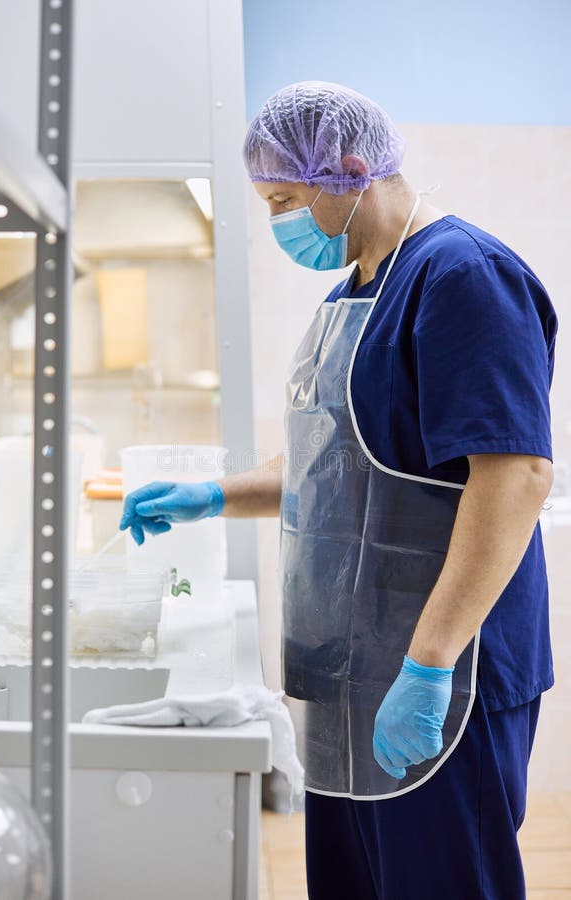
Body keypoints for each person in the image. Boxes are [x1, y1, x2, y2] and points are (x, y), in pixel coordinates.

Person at [120, 82, 558, 899]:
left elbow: (517, 476)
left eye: (285, 199)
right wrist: (213, 495)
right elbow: (334, 462)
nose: (281, 221)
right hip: (354, 674)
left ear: (351, 170)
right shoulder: (355, 288)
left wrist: (427, 667)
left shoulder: (464, 276)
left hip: (440, 679)